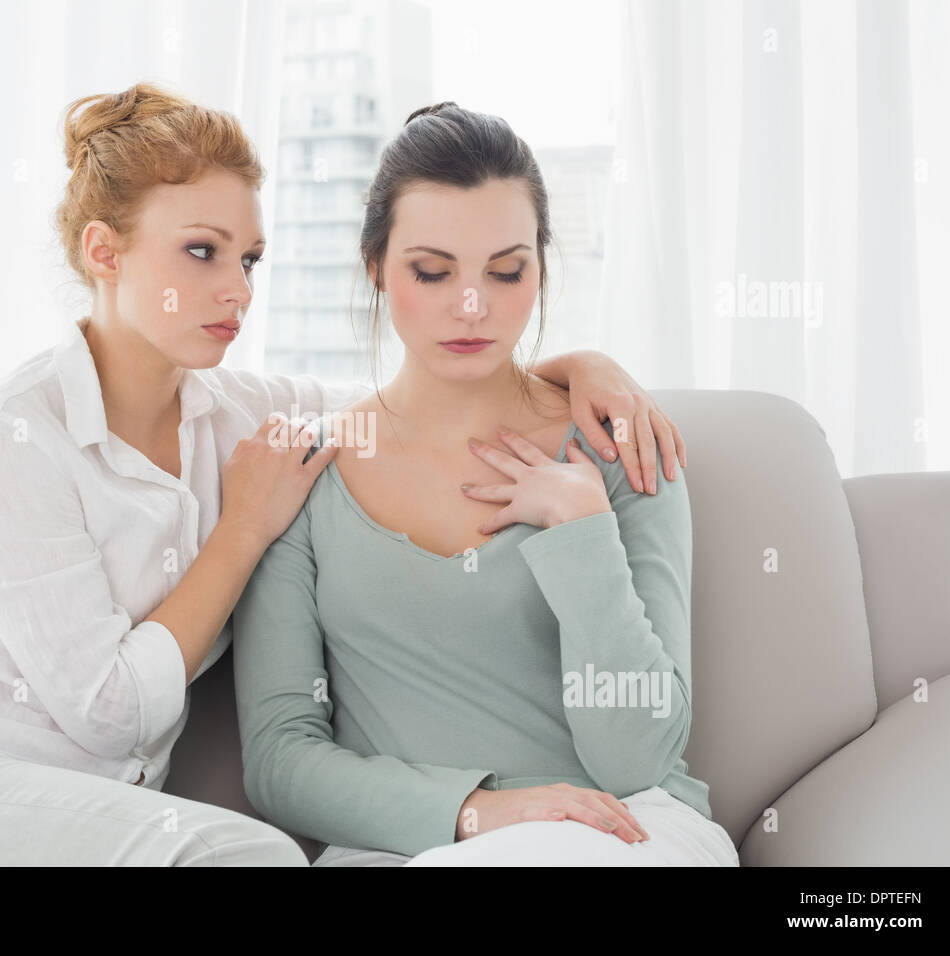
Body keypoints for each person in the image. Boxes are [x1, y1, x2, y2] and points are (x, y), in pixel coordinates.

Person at [0, 84, 687, 866]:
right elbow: (109, 716)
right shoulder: (10, 439)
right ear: (103, 251)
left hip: (77, 826)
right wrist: (243, 528)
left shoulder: (253, 414)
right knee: (246, 859)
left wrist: (581, 367)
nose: (238, 290)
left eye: (250, 260)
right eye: (201, 253)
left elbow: (432, 385)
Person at [232, 101, 738, 867]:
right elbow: (280, 760)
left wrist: (582, 535)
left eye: (506, 272)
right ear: (375, 266)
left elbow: (638, 756)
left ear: (541, 265)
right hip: (409, 847)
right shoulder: (309, 472)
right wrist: (475, 812)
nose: (472, 306)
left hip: (625, 831)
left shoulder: (618, 448)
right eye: (432, 272)